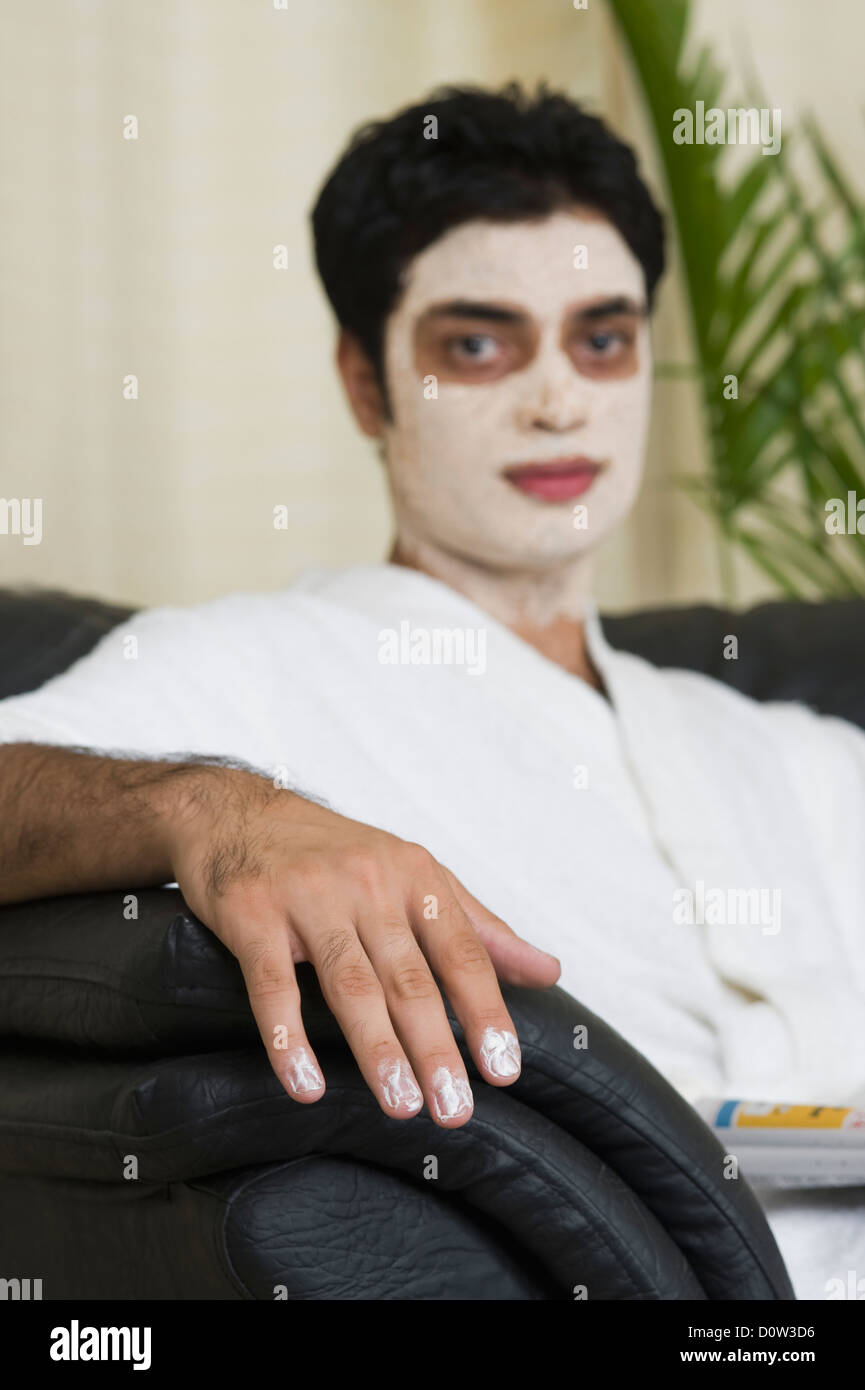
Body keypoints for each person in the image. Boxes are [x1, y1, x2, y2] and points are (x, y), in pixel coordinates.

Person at [1, 84, 863, 1297]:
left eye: (602, 338)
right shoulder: (252, 668)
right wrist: (211, 812)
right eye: (479, 343)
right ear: (367, 383)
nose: (559, 397)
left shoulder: (800, 754)